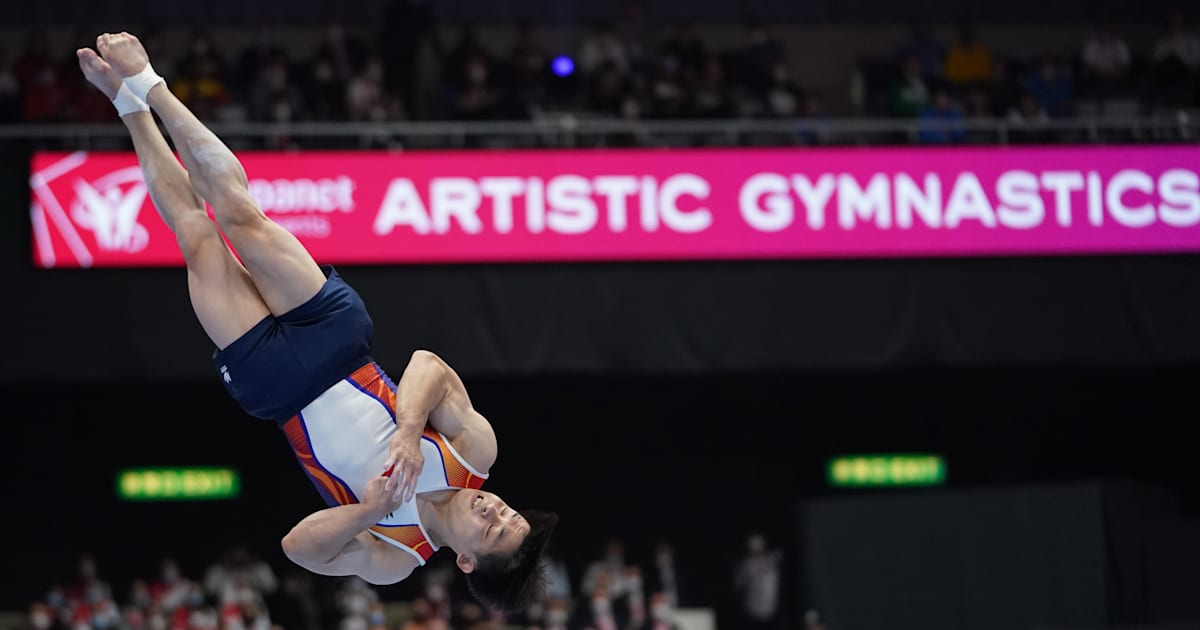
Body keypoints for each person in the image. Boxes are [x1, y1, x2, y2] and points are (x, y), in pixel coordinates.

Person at [74, 31, 557, 612]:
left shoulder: (392, 557)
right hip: (339, 341)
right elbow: (430, 365)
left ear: (467, 560)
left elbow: (298, 548)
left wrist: (373, 511)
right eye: (508, 512)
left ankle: (127, 103)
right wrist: (407, 434)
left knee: (199, 238)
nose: (494, 510)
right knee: (238, 215)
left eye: (494, 529)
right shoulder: (475, 452)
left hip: (278, 388)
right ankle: (149, 81)